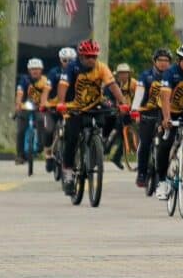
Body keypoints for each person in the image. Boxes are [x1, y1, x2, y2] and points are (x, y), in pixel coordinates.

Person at [52, 40, 128, 190]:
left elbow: (112, 86)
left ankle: (97, 144)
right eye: (88, 57)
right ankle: (67, 171)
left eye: (94, 56)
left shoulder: (102, 68)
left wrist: (123, 102)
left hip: (95, 103)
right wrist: (61, 102)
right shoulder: (72, 67)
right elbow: (63, 86)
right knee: (72, 138)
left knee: (110, 117)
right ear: (81, 56)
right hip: (75, 106)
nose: (91, 59)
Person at [153, 44, 183, 200]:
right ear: (179, 61)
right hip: (169, 110)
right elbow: (165, 97)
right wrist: (166, 119)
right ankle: (161, 182)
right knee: (165, 144)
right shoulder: (170, 73)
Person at [131, 50, 172, 188]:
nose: (163, 63)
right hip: (148, 113)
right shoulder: (146, 76)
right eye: (160, 60)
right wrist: (135, 109)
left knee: (167, 144)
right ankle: (141, 173)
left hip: (165, 113)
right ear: (154, 61)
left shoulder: (172, 75)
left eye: (166, 60)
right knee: (145, 144)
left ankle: (165, 173)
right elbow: (139, 92)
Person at [15, 58, 52, 165]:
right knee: (20, 130)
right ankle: (20, 155)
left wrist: (45, 104)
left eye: (37, 69)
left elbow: (48, 92)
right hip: (26, 106)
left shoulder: (45, 81)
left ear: (41, 70)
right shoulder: (24, 79)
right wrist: (18, 104)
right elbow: (20, 92)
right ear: (29, 70)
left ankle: (40, 146)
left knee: (41, 121)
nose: (35, 71)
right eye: (32, 69)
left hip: (40, 107)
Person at [44, 46, 74, 172]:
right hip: (54, 106)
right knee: (49, 130)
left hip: (71, 107)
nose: (68, 63)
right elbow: (47, 88)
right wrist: (44, 102)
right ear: (61, 60)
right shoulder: (54, 72)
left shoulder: (78, 72)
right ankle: (48, 155)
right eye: (65, 60)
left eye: (71, 60)